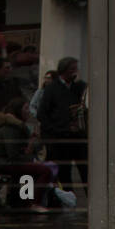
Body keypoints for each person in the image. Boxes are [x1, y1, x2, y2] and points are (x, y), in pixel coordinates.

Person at [35, 56, 88, 193]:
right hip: (60, 137)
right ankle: (67, 199)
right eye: (72, 69)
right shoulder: (52, 89)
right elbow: (42, 114)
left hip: (78, 137)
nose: (75, 72)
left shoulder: (79, 87)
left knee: (86, 169)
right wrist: (57, 129)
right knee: (64, 172)